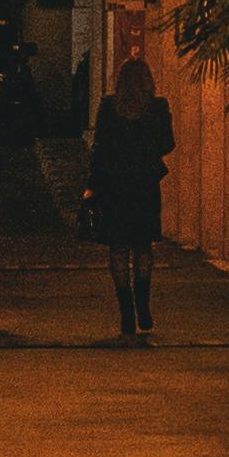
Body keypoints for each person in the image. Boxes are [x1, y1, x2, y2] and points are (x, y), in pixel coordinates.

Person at [87, 49, 176, 341]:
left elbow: (99, 148)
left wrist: (92, 184)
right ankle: (144, 306)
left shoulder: (108, 106)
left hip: (114, 185)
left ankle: (126, 311)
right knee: (142, 246)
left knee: (118, 247)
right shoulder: (157, 107)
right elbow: (168, 143)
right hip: (144, 185)